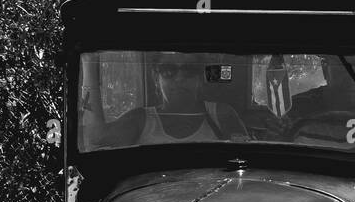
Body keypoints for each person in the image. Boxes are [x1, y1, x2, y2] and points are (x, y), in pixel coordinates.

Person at [95, 53, 249, 146]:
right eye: (169, 70)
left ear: (201, 78)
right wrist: (89, 68)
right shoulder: (140, 120)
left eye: (189, 70)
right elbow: (95, 139)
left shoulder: (222, 115)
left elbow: (245, 164)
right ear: (156, 78)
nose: (180, 78)